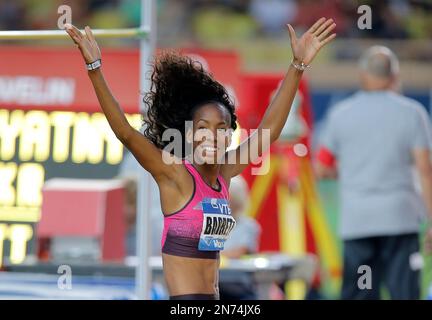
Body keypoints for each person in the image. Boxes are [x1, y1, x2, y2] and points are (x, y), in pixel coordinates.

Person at [65, 18, 336, 300]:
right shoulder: (175, 174)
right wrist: (94, 68)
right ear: (191, 134)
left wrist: (297, 66)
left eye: (221, 129)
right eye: (203, 128)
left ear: (230, 136)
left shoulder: (225, 173)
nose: (212, 136)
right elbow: (125, 131)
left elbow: (269, 132)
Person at [316, 46, 432, 300]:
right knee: (405, 294)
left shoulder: (340, 114)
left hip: (359, 222)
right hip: (401, 219)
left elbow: (322, 167)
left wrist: (350, 173)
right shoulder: (413, 113)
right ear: (395, 76)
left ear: (362, 75)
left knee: (361, 294)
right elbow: (425, 170)